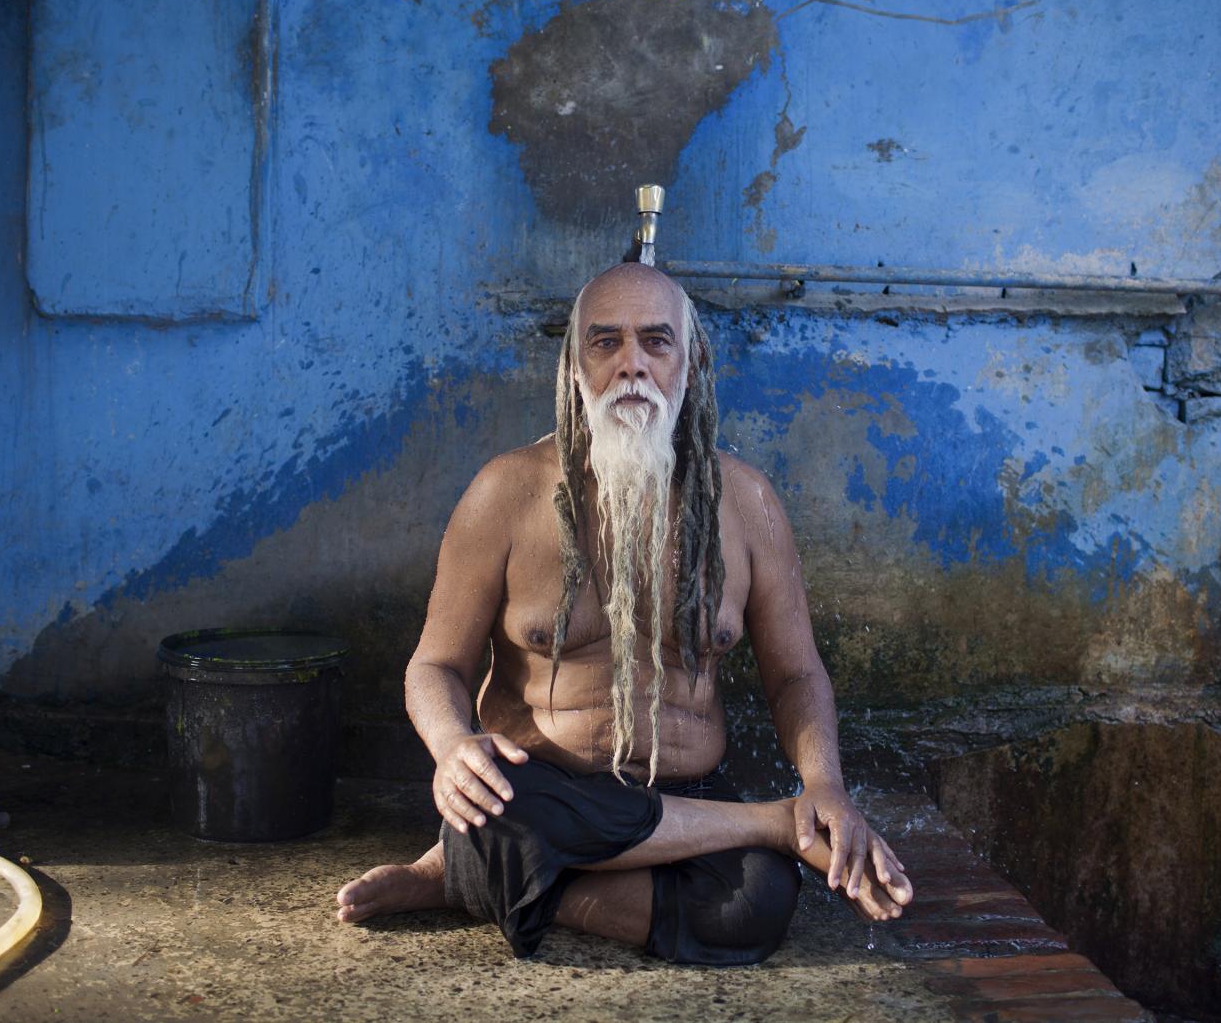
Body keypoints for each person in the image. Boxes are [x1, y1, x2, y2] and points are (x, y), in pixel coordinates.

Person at [335, 263, 913, 964]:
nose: (630, 364)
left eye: (656, 342)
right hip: (540, 786)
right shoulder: (505, 493)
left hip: (684, 788)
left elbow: (795, 675)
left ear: (691, 364)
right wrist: (452, 747)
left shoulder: (747, 504)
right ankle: (761, 823)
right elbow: (434, 666)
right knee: (503, 812)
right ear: (574, 368)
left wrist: (823, 785)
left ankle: (482, 877)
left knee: (756, 903)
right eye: (605, 343)